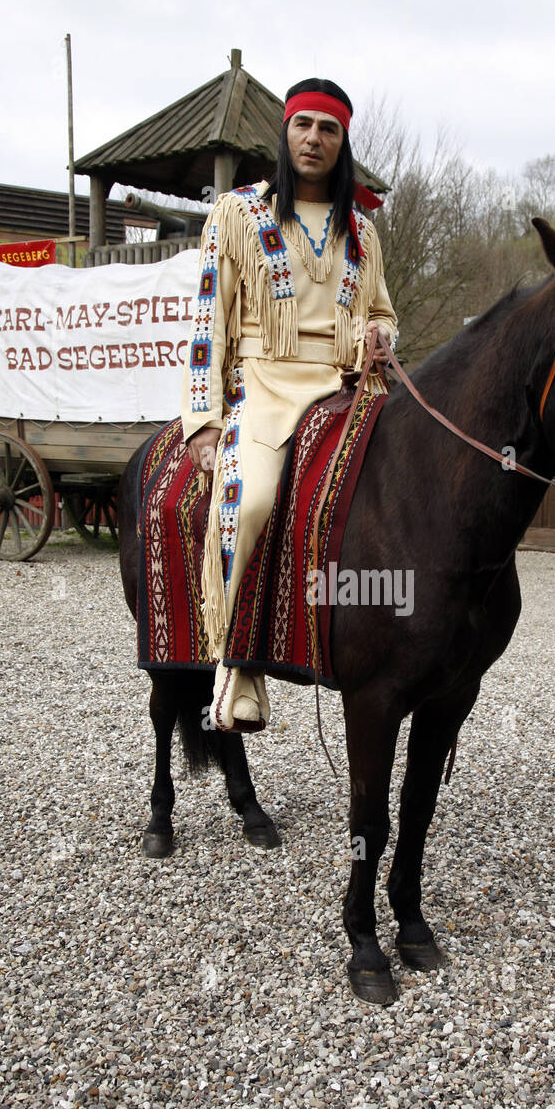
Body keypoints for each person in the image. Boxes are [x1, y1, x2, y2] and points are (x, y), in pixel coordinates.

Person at [180, 77, 397, 732]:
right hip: (264, 384)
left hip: (346, 388)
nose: (314, 139)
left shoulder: (361, 229)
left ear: (342, 142)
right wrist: (203, 420)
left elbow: (383, 310)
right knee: (252, 502)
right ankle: (236, 665)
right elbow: (206, 319)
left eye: (328, 129)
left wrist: (380, 335)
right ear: (285, 132)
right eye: (303, 124)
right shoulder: (236, 213)